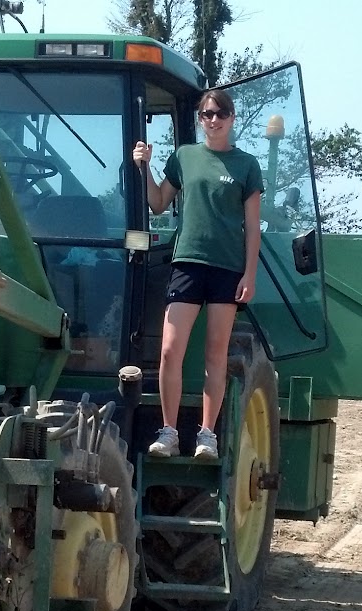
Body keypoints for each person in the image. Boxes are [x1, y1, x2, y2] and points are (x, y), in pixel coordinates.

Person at [132, 89, 263, 462]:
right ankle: (168, 432)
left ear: (232, 118)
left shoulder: (247, 165)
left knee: (215, 355)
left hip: (227, 269)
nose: (213, 119)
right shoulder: (184, 157)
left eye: (220, 113)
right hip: (187, 263)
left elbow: (252, 228)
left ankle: (208, 435)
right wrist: (144, 166)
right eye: (207, 114)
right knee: (170, 351)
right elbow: (158, 202)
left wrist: (249, 274)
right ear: (199, 119)